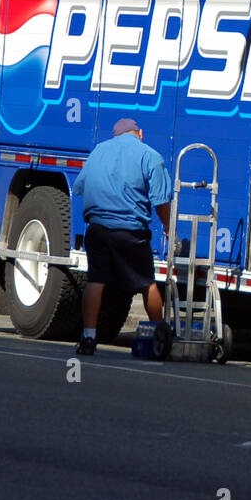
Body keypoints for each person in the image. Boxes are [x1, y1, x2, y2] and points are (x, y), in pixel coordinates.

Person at [71, 117, 173, 356]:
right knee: (147, 283)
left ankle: (88, 337)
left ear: (116, 136)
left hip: (97, 229)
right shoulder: (150, 156)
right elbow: (160, 200)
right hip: (131, 232)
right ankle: (159, 336)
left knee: (96, 281)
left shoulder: (98, 150)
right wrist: (168, 227)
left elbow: (80, 187)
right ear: (140, 133)